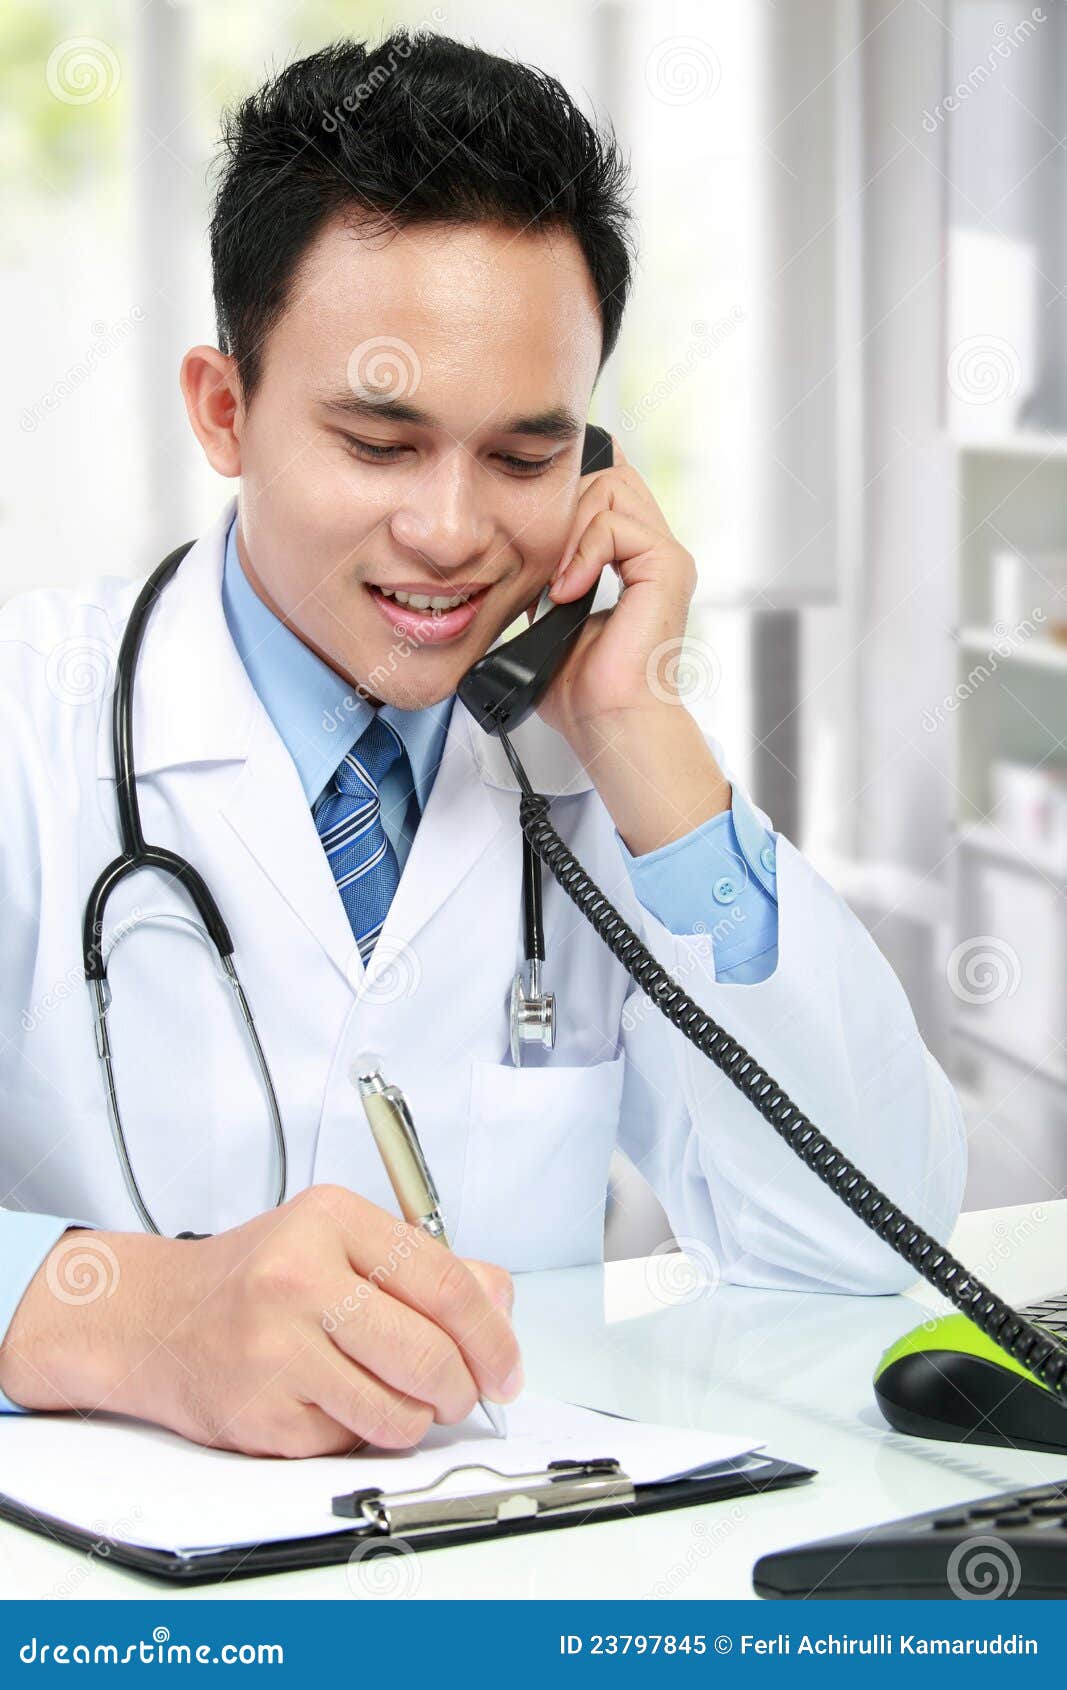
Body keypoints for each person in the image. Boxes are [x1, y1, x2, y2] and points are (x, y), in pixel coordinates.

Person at [0, 31, 966, 1457]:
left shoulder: (590, 766)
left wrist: (648, 749)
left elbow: (864, 1249)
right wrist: (141, 1312)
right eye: (380, 443)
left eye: (524, 457)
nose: (453, 533)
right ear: (225, 409)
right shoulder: (37, 718)